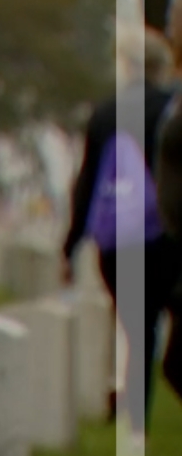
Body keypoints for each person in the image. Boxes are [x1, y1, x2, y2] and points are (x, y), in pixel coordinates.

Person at [76, 23, 182, 435]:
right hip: (164, 236)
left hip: (118, 236)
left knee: (135, 326)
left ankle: (130, 412)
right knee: (152, 327)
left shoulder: (106, 113)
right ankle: (134, 413)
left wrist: (73, 243)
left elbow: (88, 182)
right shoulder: (172, 109)